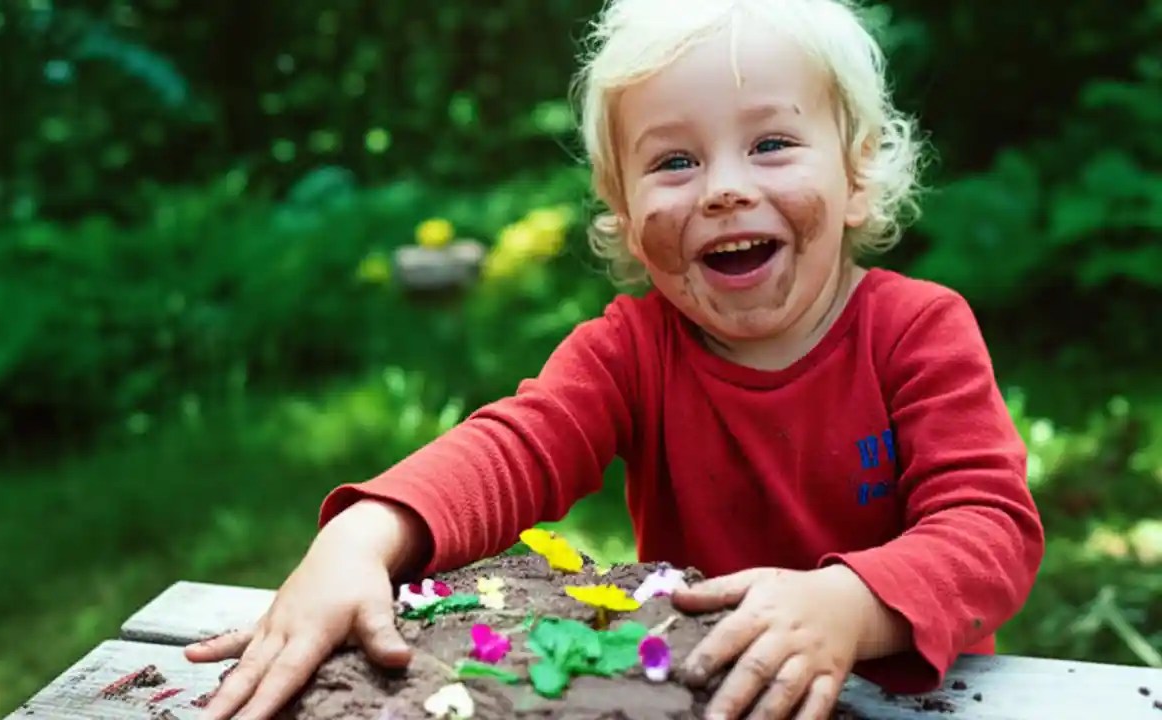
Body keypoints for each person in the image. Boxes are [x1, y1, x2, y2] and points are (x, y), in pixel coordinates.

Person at [187, 0, 1045, 717]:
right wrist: (364, 538)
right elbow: (516, 447)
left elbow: (991, 529)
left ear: (857, 175)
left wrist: (852, 607)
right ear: (625, 209)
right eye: (674, 161)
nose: (723, 188)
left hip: (908, 699)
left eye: (772, 144)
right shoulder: (634, 349)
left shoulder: (917, 330)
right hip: (702, 698)